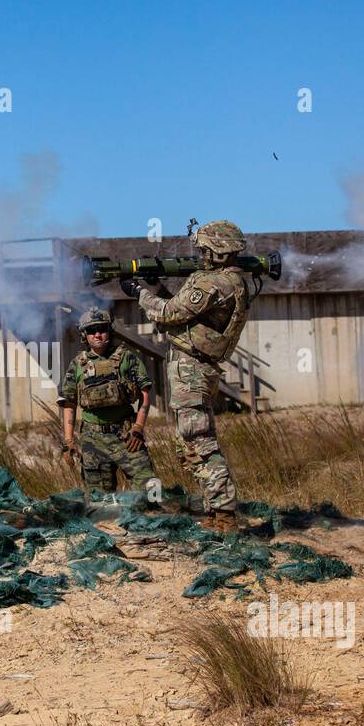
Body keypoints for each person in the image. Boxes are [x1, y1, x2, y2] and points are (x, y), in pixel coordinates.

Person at [121, 220, 250, 531]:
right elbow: (186, 312)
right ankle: (215, 511)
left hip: (192, 369)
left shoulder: (214, 283)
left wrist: (138, 292)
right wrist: (157, 288)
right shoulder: (226, 282)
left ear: (218, 253)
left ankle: (224, 515)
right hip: (193, 367)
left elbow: (168, 313)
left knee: (199, 441)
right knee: (188, 446)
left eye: (204, 250)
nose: (200, 255)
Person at [57, 307, 156, 494]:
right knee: (100, 501)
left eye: (101, 330)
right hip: (92, 441)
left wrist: (138, 428)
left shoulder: (127, 358)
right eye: (92, 331)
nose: (97, 335)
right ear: (85, 335)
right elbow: (69, 403)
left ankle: (150, 519)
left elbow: (145, 395)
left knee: (150, 489)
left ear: (109, 331)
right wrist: (68, 441)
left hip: (127, 436)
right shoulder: (78, 364)